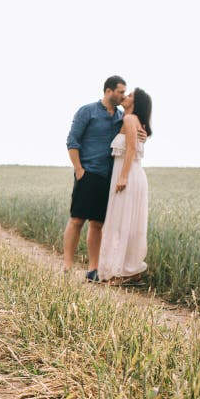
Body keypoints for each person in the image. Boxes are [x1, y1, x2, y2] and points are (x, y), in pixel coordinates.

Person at [64, 75, 145, 281]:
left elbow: (131, 136)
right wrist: (79, 170)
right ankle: (67, 265)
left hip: (109, 178)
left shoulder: (121, 116)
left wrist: (142, 135)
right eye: (120, 92)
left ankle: (93, 269)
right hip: (88, 172)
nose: (123, 95)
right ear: (108, 91)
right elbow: (72, 141)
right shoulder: (87, 111)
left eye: (125, 92)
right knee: (76, 220)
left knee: (98, 224)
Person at [98, 89, 153, 283]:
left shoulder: (130, 120)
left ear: (135, 103)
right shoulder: (133, 119)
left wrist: (122, 177)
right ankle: (128, 270)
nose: (125, 97)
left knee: (121, 221)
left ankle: (119, 271)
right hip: (132, 174)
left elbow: (130, 149)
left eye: (129, 95)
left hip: (128, 175)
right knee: (128, 222)